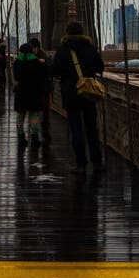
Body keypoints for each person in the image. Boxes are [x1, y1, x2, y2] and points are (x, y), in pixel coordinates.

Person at [51, 20, 105, 174]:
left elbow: (55, 71)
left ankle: (81, 165)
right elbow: (100, 67)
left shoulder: (61, 50)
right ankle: (97, 162)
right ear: (82, 32)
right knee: (92, 129)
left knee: (76, 130)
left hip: (70, 94)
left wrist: (67, 77)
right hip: (88, 93)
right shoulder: (91, 48)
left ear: (67, 33)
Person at [13, 42, 48, 149]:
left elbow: (16, 77)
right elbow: (43, 76)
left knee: (20, 115)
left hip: (21, 91)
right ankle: (34, 138)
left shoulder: (17, 62)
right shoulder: (37, 62)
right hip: (34, 91)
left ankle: (21, 137)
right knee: (34, 114)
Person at [29, 37, 52, 142]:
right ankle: (34, 133)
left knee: (45, 110)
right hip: (34, 88)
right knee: (35, 111)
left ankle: (45, 131)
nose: (32, 50)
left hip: (43, 88)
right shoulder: (29, 58)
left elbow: (49, 71)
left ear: (37, 48)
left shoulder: (45, 58)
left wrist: (43, 64)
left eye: (34, 48)